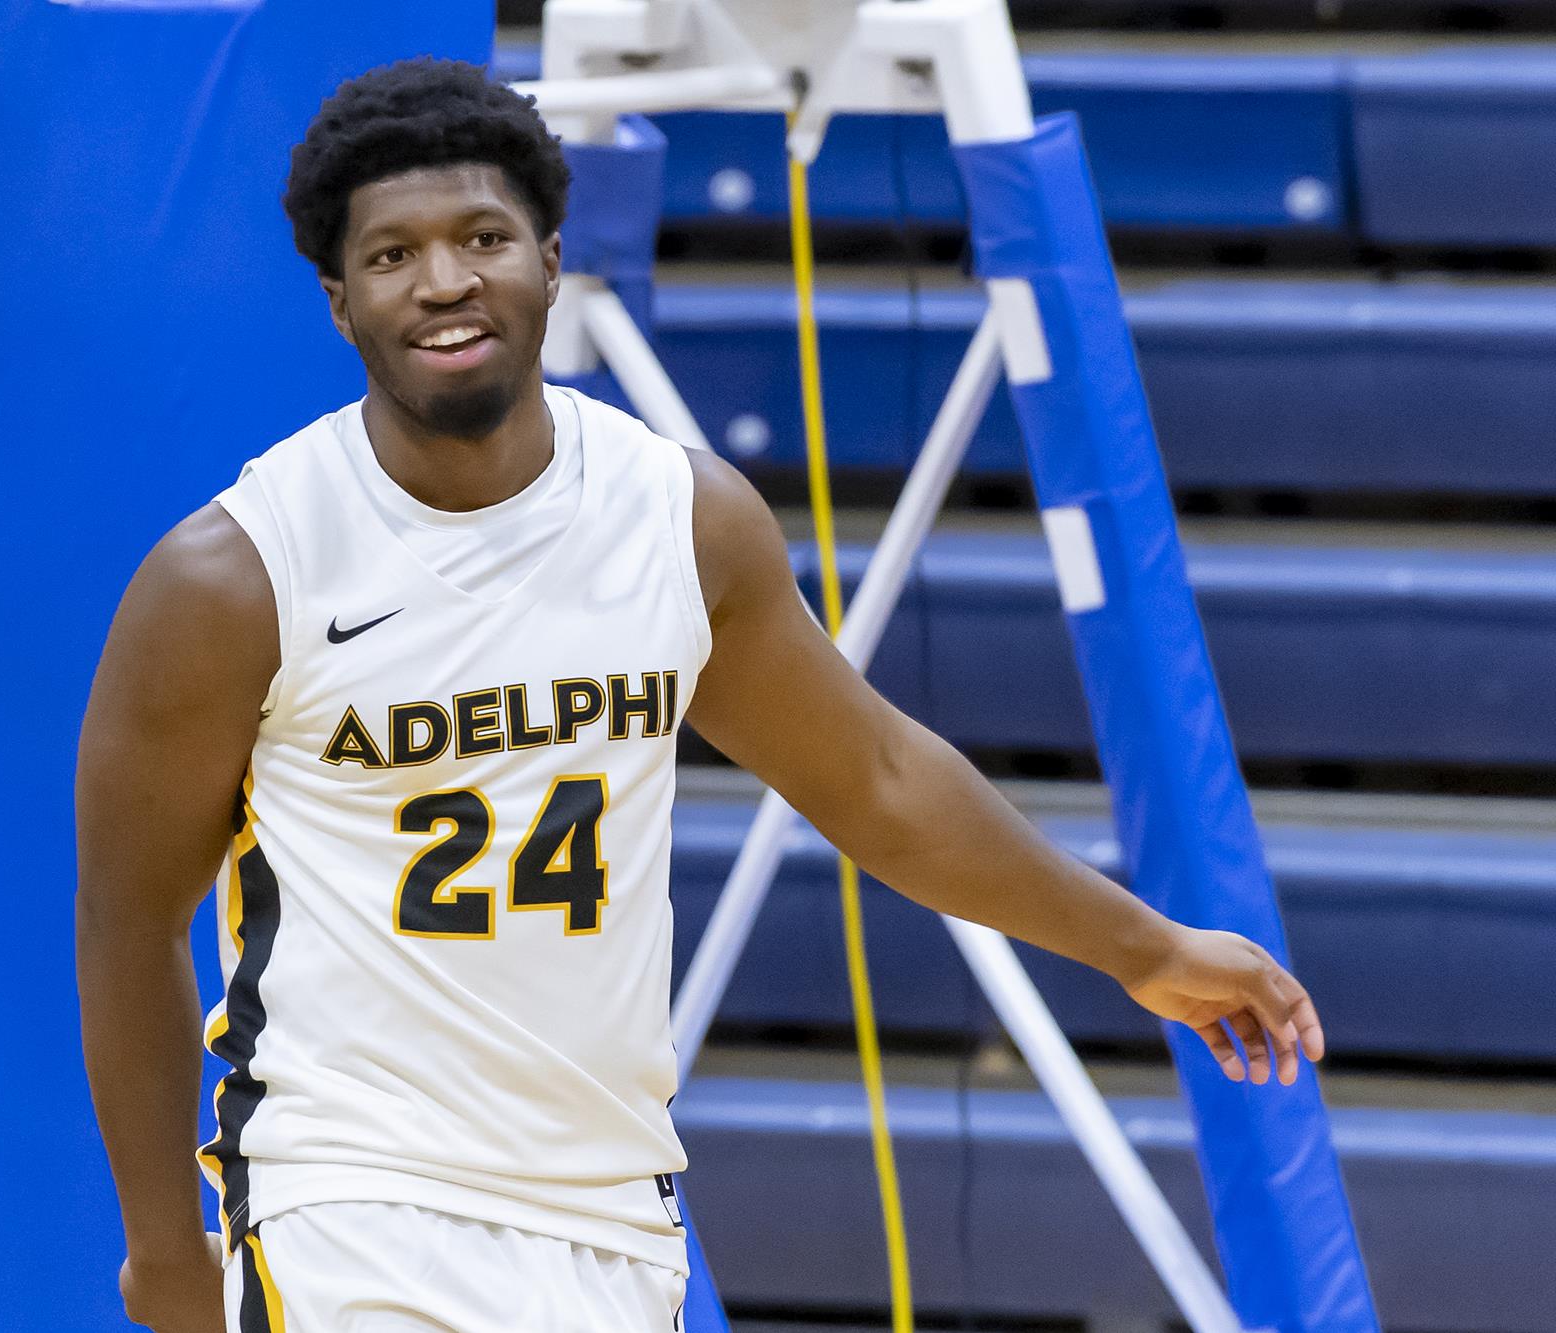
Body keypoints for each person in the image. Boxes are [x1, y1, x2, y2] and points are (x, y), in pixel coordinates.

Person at [74, 56, 1324, 1333]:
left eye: (482, 238)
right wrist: (162, 1248)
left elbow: (881, 784)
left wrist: (1145, 948)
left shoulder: (675, 516)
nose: (445, 281)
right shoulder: (235, 577)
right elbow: (127, 925)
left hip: (608, 1212)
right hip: (347, 1194)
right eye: (392, 256)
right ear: (338, 302)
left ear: (552, 258)